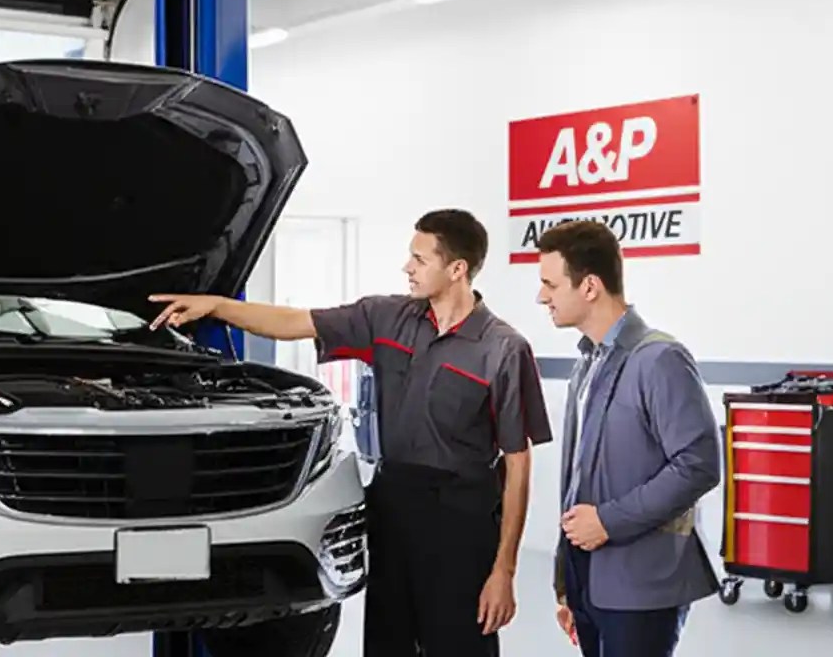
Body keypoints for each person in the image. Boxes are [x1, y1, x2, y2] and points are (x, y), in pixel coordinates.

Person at [149, 208, 554, 657]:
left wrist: (505, 571)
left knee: (458, 645)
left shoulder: (504, 350)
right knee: (387, 643)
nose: (408, 267)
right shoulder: (385, 318)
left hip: (462, 522)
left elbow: (518, 465)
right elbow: (296, 322)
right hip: (392, 505)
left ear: (457, 269)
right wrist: (218, 307)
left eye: (420, 259)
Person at [534, 220, 721, 657]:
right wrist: (568, 581)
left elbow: (698, 464)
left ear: (590, 287)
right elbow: (580, 475)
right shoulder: (587, 363)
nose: (542, 296)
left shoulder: (660, 360)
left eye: (550, 284)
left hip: (641, 586)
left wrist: (608, 521)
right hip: (590, 579)